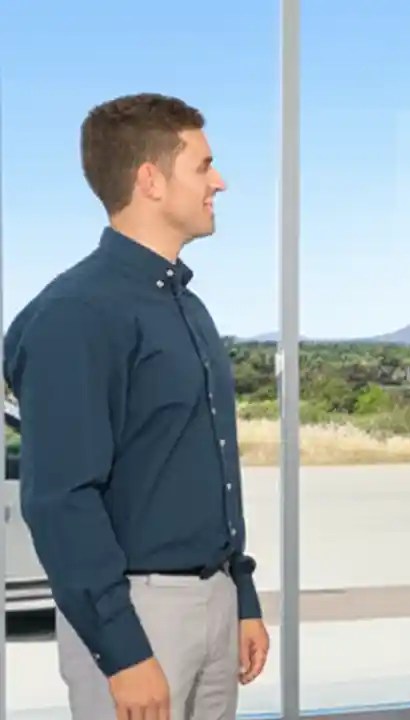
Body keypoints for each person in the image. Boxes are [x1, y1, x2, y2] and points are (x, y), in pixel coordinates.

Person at [4, 93, 269, 720]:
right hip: (139, 617)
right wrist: (122, 651)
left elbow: (205, 472)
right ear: (150, 180)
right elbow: (61, 500)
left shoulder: (185, 306)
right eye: (204, 166)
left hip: (213, 603)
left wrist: (242, 595)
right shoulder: (75, 314)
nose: (220, 181)